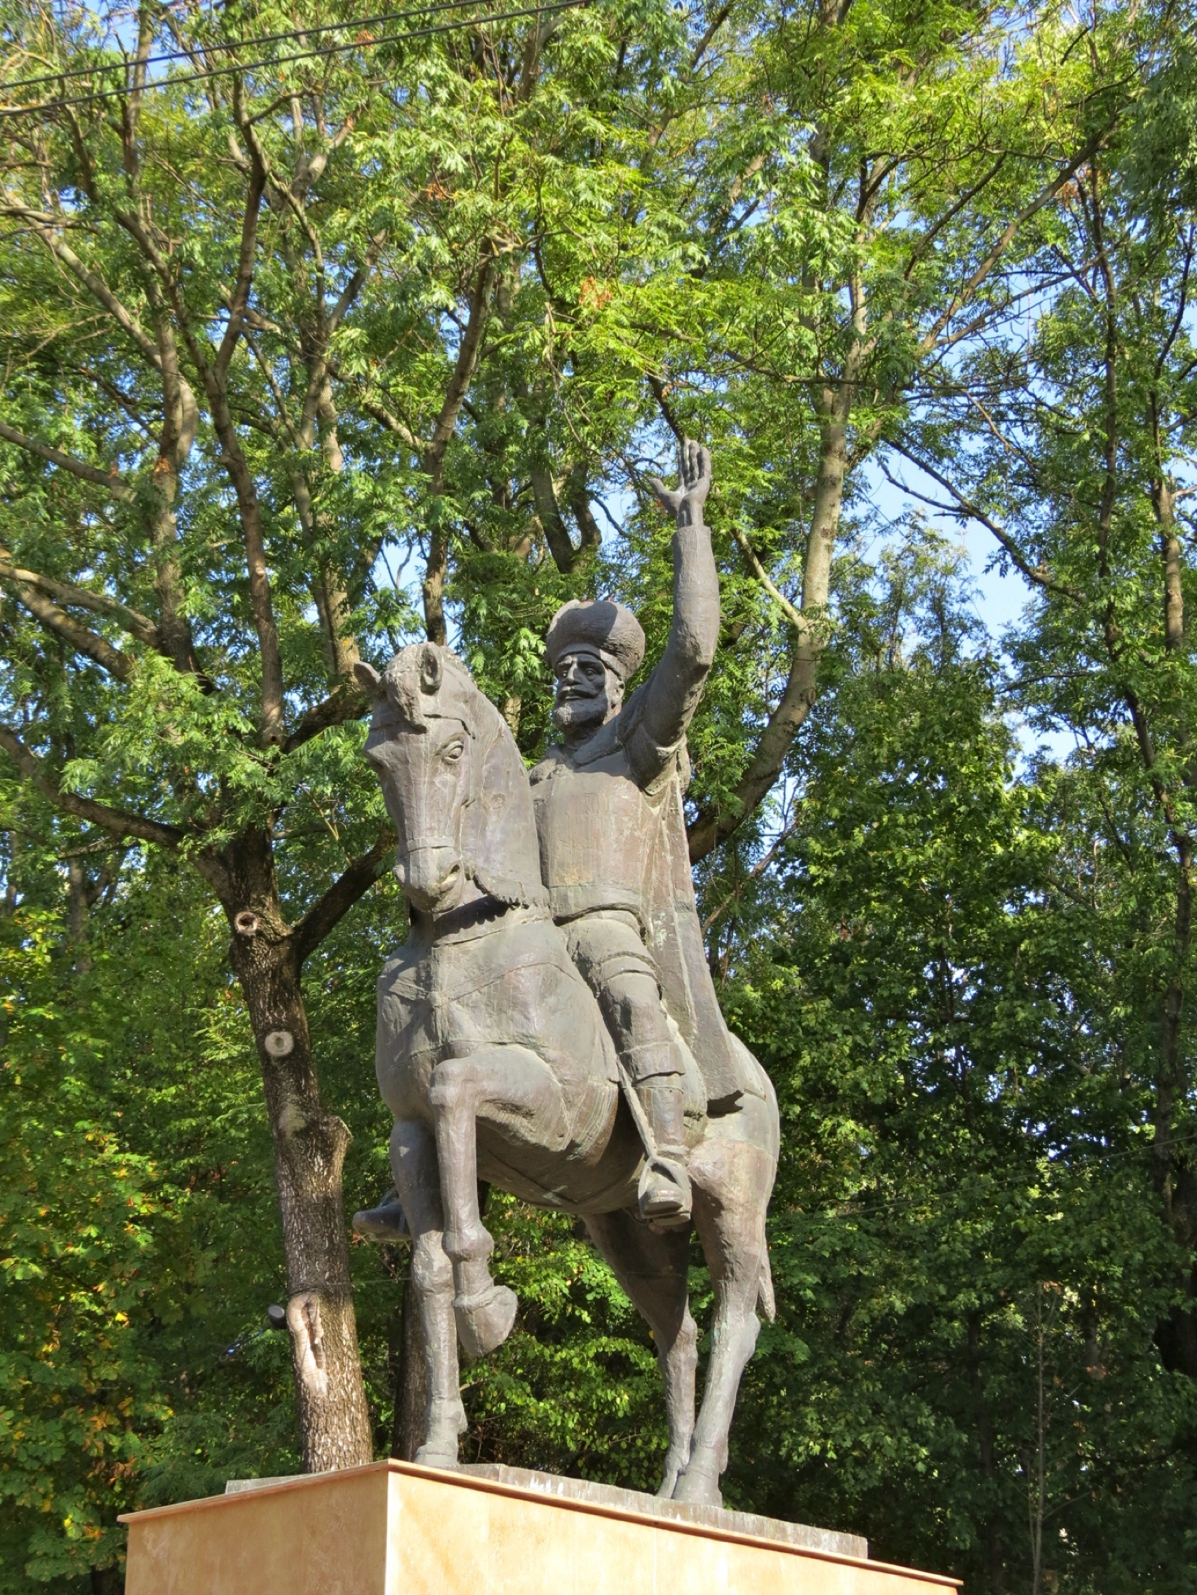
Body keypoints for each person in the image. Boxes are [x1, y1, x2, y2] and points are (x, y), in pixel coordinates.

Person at [530, 440, 754, 1226]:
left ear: (620, 685)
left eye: (590, 668)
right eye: (562, 669)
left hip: (604, 928)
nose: (572, 678)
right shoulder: (536, 777)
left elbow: (691, 649)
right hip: (528, 941)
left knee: (626, 991)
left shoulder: (636, 746)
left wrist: (690, 527)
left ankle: (665, 1156)